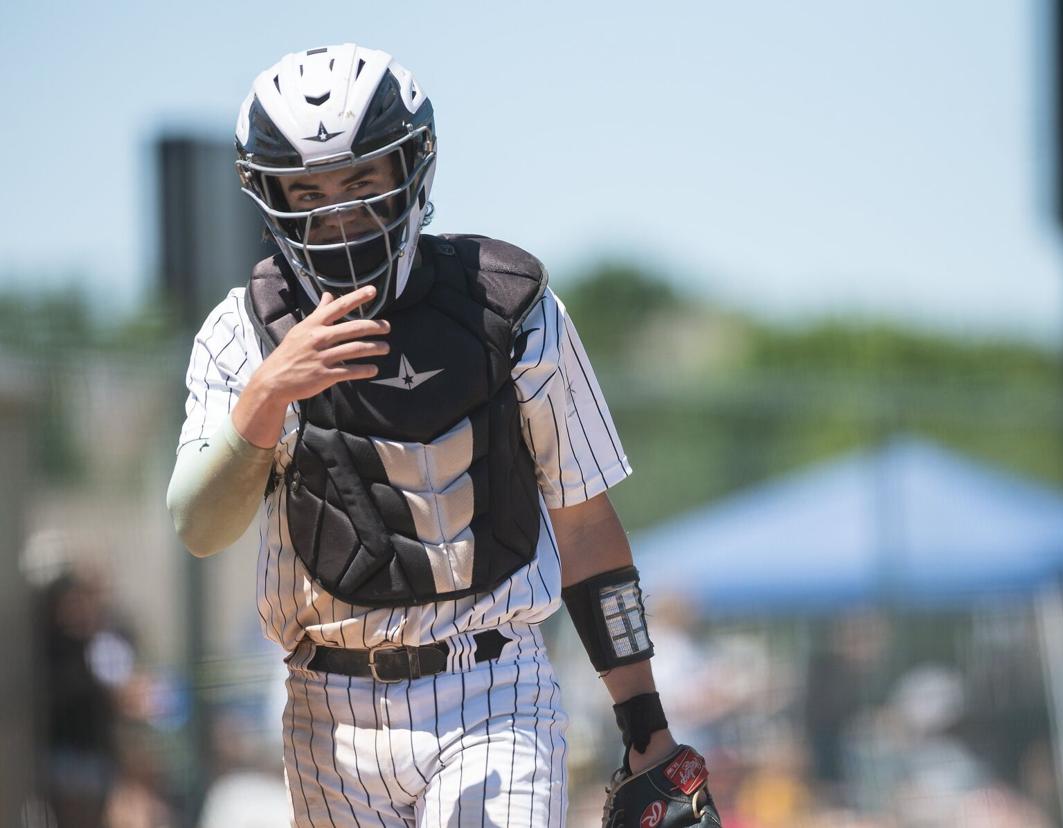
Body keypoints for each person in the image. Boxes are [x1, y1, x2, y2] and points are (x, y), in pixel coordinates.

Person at [167, 43, 718, 827]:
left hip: (493, 685)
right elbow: (198, 526)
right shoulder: (244, 334)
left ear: (411, 171)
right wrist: (268, 392)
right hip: (327, 709)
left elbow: (586, 527)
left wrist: (646, 728)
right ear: (270, 196)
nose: (337, 215)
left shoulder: (510, 311)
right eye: (309, 192)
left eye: (362, 182)